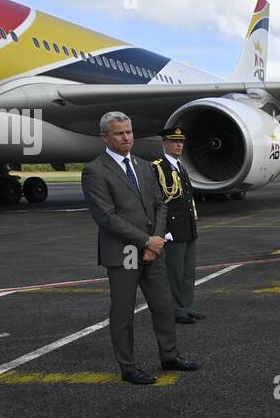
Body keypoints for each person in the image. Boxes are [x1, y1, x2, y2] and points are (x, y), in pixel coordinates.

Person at [81, 111, 200, 385]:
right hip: (124, 252)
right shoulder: (95, 171)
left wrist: (155, 241)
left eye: (129, 132)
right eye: (119, 133)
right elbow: (106, 216)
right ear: (105, 137)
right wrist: (145, 241)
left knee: (164, 305)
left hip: (153, 249)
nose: (126, 137)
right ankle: (128, 366)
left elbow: (160, 205)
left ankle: (170, 355)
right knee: (123, 313)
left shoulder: (144, 166)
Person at [152, 127, 203, 326]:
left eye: (181, 141)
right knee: (174, 273)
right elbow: (157, 202)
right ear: (164, 143)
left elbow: (187, 198)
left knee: (188, 272)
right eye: (174, 141)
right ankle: (177, 310)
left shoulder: (180, 166)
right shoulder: (158, 167)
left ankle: (187, 307)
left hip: (188, 227)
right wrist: (163, 230)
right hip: (173, 229)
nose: (179, 144)